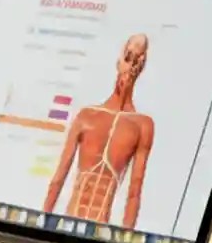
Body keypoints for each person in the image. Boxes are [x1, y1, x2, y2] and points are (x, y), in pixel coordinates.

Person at [43, 34, 156, 229]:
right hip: (70, 226)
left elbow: (134, 192)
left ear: (143, 64)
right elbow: (58, 179)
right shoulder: (87, 115)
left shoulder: (142, 125)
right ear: (119, 58)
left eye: (137, 59)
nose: (131, 65)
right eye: (129, 56)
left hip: (95, 230)